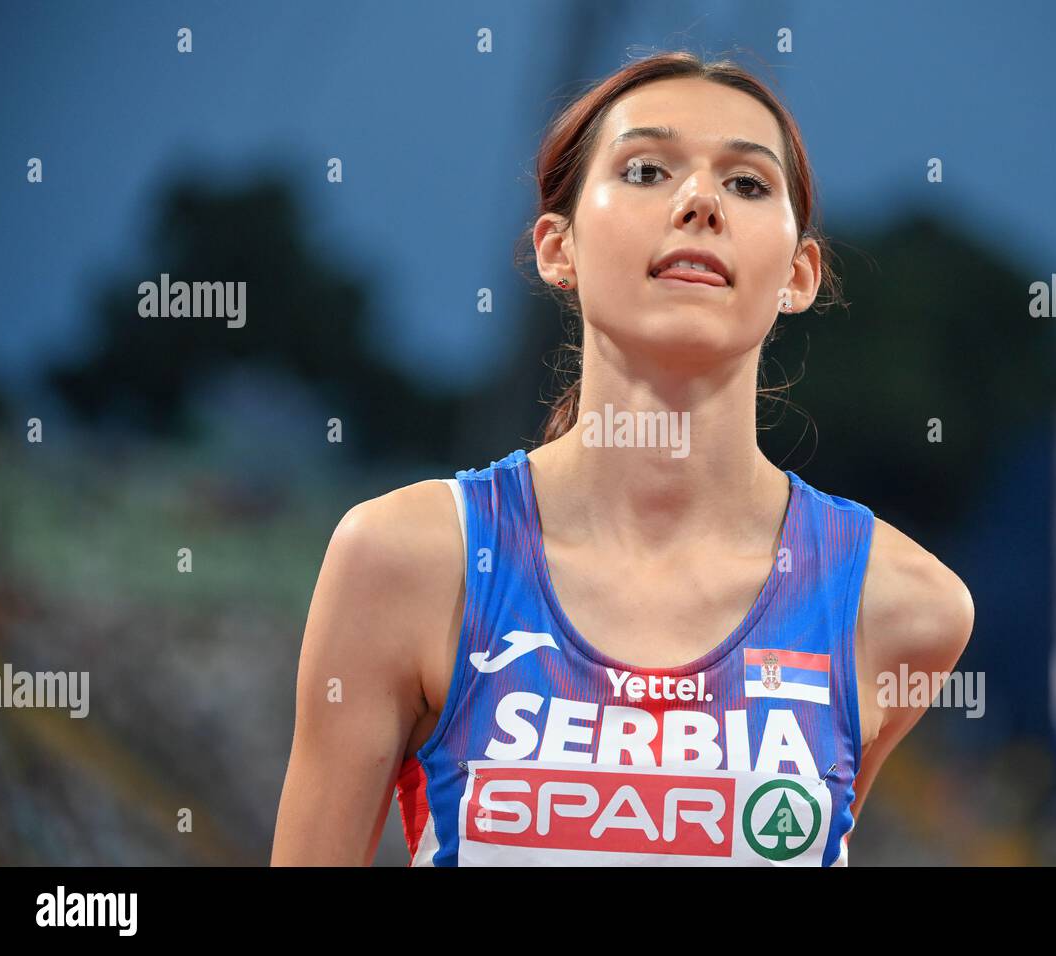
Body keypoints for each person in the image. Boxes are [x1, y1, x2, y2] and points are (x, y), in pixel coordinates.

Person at [271, 51, 974, 866]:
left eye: (747, 184)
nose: (700, 202)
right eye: (646, 169)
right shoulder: (407, 561)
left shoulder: (905, 608)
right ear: (555, 249)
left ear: (801, 273)